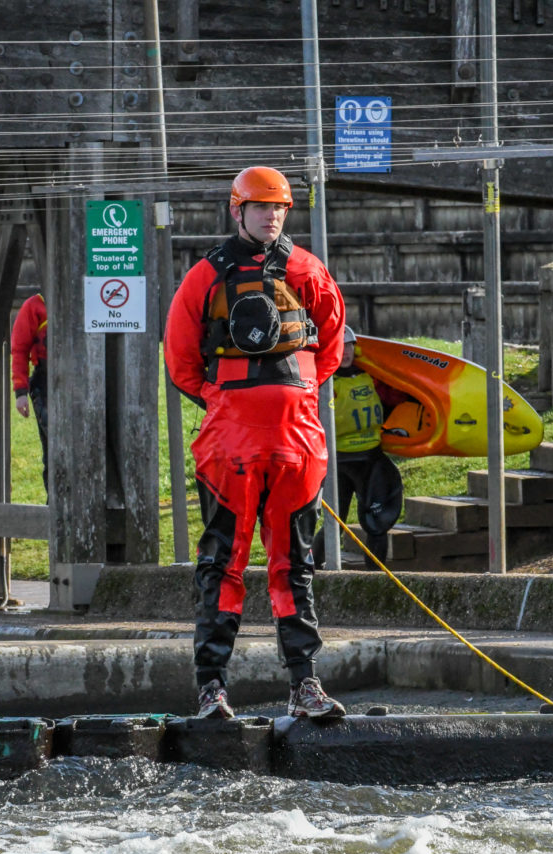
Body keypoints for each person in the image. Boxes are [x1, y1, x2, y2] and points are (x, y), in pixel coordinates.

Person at [164, 165, 347, 722]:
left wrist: (290, 395)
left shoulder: (307, 269)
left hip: (296, 446)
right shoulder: (204, 276)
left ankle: (304, 685)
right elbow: (180, 361)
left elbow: (332, 343)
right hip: (230, 448)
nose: (272, 216)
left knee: (294, 566)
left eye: (280, 209)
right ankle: (212, 689)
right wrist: (228, 402)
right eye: (263, 207)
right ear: (237, 210)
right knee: (222, 565)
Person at [313, 325, 405, 569]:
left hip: (371, 460)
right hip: (338, 462)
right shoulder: (325, 383)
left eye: (349, 347)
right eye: (340, 348)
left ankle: (375, 576)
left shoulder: (371, 376)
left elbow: (396, 396)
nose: (345, 353)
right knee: (335, 522)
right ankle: (309, 569)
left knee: (378, 523)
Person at [10, 292, 48, 496]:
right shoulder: (34, 307)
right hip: (45, 382)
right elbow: (19, 349)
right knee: (53, 450)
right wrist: (21, 392)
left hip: (82, 382)